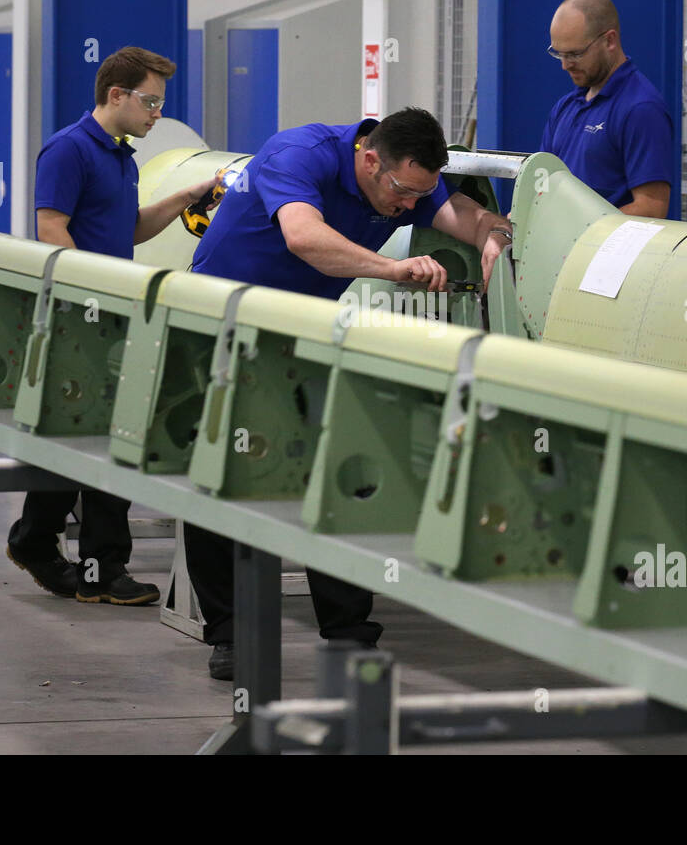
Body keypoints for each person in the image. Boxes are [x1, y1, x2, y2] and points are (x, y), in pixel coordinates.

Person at [188, 106, 512, 678]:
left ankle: (349, 633)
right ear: (369, 160)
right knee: (225, 474)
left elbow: (463, 214)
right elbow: (304, 238)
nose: (410, 207)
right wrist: (392, 269)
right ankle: (232, 634)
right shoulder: (299, 156)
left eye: (421, 195)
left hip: (301, 332)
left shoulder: (406, 181)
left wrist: (493, 235)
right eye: (403, 193)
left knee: (339, 469)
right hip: (220, 322)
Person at [6, 46, 216, 605]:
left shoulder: (121, 157)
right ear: (115, 95)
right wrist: (92, 298)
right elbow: (52, 228)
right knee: (77, 438)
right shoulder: (68, 149)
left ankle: (98, 567)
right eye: (149, 101)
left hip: (117, 315)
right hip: (81, 319)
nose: (155, 113)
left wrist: (183, 198)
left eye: (160, 104)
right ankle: (41, 543)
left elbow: (131, 229)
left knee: (113, 439)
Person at [541, 0, 678, 220]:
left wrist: (575, 229)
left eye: (575, 54)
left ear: (610, 40)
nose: (565, 65)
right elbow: (543, 188)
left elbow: (652, 209)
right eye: (559, 54)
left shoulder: (640, 109)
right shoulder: (565, 108)